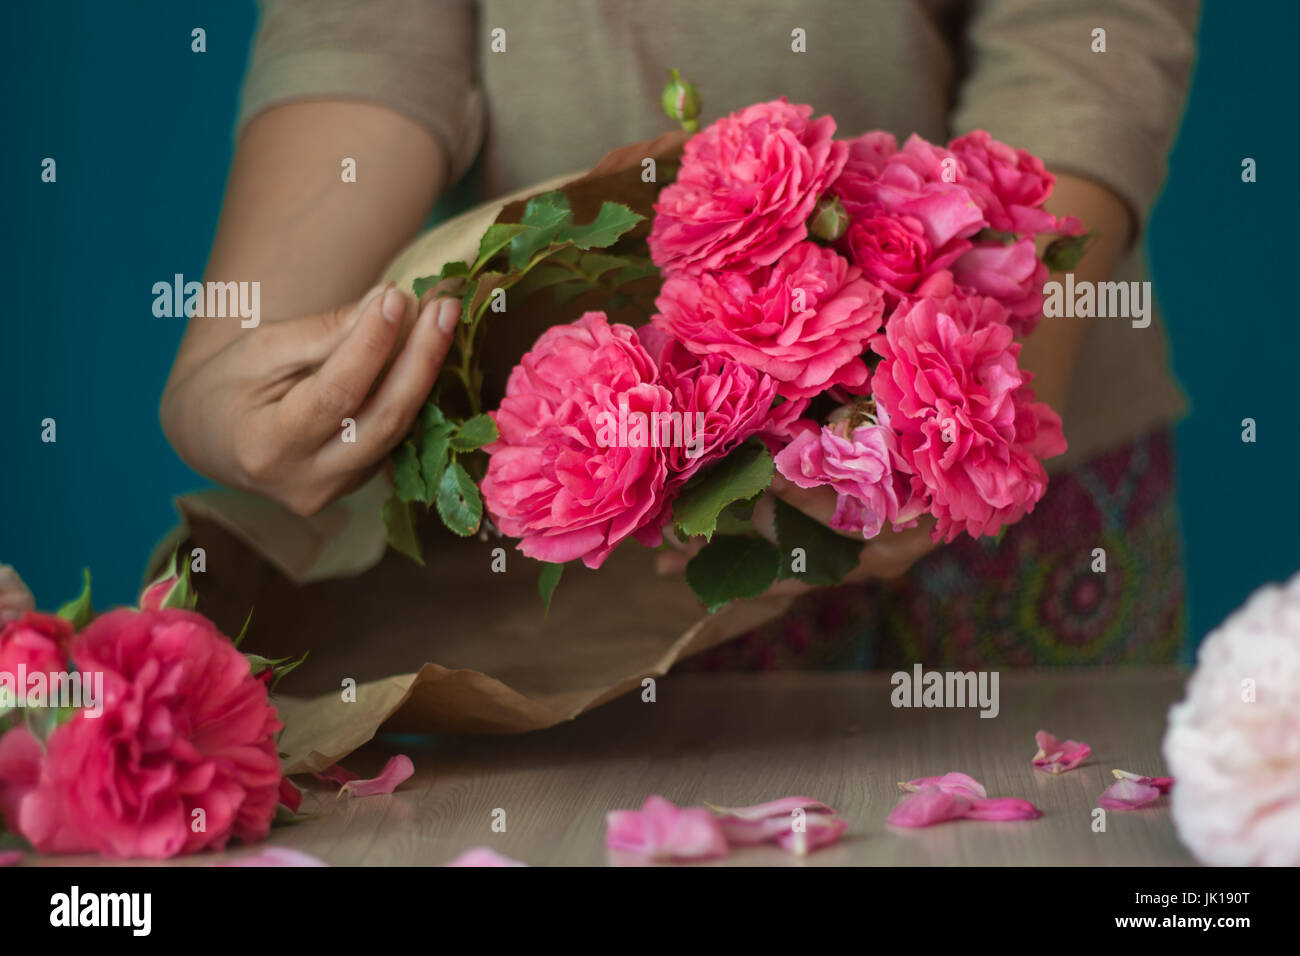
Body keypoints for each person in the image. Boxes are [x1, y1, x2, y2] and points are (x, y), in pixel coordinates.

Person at [159, 0, 1197, 669]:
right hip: (622, 554)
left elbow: (1080, 28)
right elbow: (362, 37)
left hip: (1023, 488)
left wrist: (969, 394)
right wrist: (232, 361)